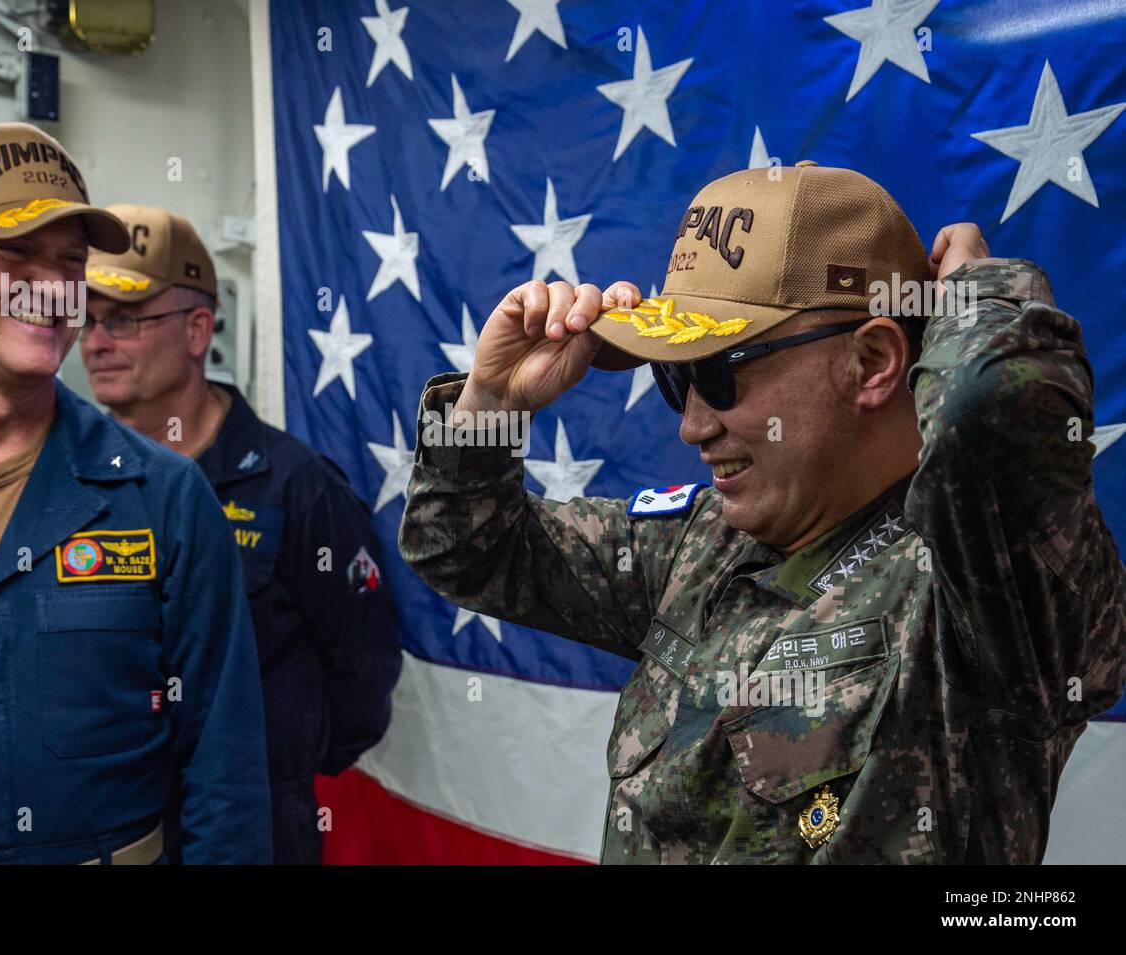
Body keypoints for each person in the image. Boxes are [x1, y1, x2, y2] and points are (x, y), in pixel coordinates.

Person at [399, 161, 1126, 863]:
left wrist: (979, 295)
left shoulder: (987, 591)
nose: (691, 425)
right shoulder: (702, 544)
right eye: (675, 374)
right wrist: (487, 408)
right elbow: (465, 549)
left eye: (718, 371)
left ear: (872, 363)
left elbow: (990, 413)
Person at [0, 123, 272, 864]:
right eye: (12, 252)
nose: (51, 287)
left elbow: (226, 781)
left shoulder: (164, 499)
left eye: (70, 262)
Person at [80, 203, 401, 864]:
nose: (94, 342)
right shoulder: (74, 483)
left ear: (198, 329)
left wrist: (275, 765)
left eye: (123, 320)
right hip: (111, 818)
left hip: (258, 826)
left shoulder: (295, 487)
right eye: (84, 321)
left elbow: (362, 675)